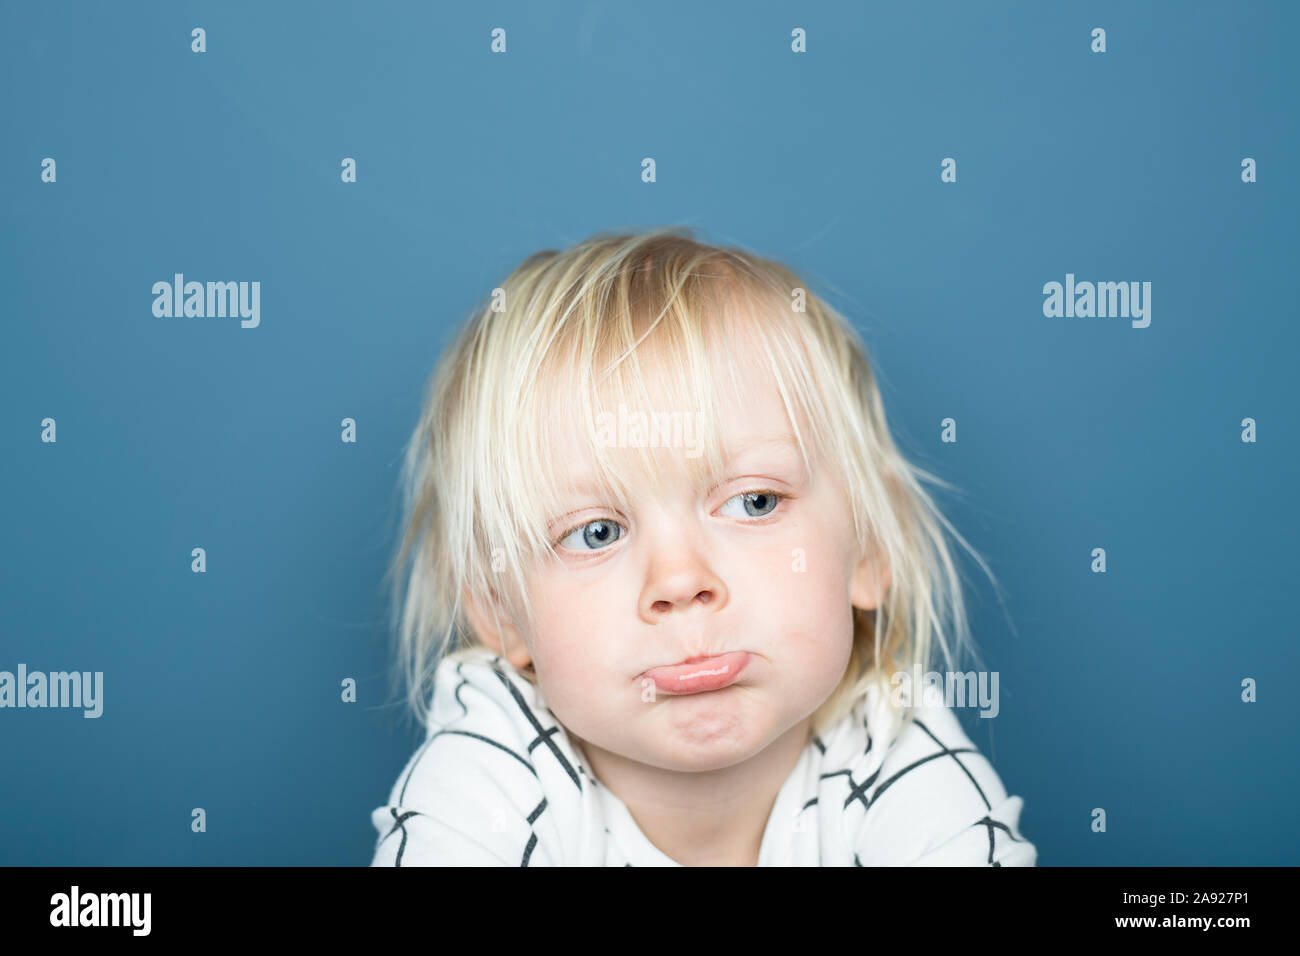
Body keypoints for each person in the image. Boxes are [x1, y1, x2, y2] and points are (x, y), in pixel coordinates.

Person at [369, 227, 1037, 866]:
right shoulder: (495, 766)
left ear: (868, 545)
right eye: (595, 533)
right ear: (501, 610)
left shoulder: (890, 746)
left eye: (754, 502)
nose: (681, 580)